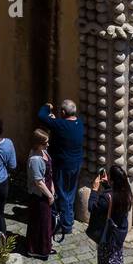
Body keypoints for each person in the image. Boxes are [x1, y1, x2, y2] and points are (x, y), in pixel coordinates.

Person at [38, 98, 85, 238]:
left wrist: (48, 106)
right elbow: (62, 127)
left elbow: (41, 115)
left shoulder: (60, 125)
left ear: (63, 112)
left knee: (62, 193)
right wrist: (56, 120)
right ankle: (69, 218)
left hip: (63, 165)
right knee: (70, 192)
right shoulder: (79, 123)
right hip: (76, 163)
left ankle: (65, 224)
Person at [89, 164, 132, 264]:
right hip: (120, 231)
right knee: (117, 257)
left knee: (108, 262)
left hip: (108, 234)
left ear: (113, 181)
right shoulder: (126, 191)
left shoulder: (106, 197)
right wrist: (107, 184)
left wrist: (94, 190)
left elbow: (92, 208)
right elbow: (114, 196)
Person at [26, 130, 55, 259]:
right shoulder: (35, 159)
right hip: (39, 194)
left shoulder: (43, 152)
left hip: (47, 189)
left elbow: (49, 173)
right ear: (38, 144)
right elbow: (38, 181)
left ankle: (46, 245)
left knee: (46, 221)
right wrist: (49, 195)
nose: (48, 145)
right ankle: (36, 249)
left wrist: (52, 186)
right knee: (40, 222)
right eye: (45, 143)